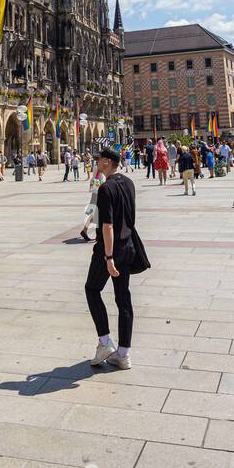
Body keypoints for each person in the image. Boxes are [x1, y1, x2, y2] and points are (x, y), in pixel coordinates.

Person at [86, 147, 137, 370]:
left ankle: (105, 342)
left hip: (109, 250)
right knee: (123, 298)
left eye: (98, 159)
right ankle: (123, 354)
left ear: (107, 162)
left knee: (92, 289)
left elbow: (107, 225)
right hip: (128, 247)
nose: (96, 162)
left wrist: (108, 257)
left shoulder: (106, 188)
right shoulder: (129, 183)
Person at [80, 163, 106, 242]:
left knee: (96, 214)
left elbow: (93, 179)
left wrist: (91, 187)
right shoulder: (99, 167)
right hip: (98, 193)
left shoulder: (96, 167)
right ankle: (91, 232)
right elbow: (100, 180)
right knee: (97, 214)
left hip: (96, 192)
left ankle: (86, 231)